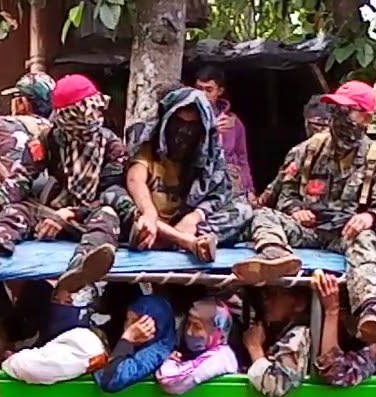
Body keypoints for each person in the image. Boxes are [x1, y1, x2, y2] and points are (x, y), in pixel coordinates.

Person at [234, 81, 376, 344]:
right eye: (336, 110)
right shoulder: (308, 150)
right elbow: (285, 192)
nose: (339, 118)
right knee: (262, 215)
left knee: (367, 240)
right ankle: (274, 255)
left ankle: (369, 309)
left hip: (346, 236)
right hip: (309, 231)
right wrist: (294, 210)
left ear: (366, 118)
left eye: (348, 111)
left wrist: (368, 217)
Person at [0, 74, 127, 292]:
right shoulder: (47, 139)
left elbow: (112, 192)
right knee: (18, 208)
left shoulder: (112, 146)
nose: (96, 116)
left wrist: (70, 214)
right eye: (90, 110)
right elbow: (19, 182)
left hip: (90, 214)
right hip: (51, 213)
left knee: (108, 215)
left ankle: (81, 268)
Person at [123, 87, 253, 261]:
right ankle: (184, 241)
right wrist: (149, 212)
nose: (183, 134)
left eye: (192, 127)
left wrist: (194, 217)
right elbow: (135, 179)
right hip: (147, 219)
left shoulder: (209, 157)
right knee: (116, 200)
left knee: (242, 211)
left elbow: (218, 194)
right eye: (178, 124)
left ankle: (171, 239)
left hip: (185, 223)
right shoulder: (148, 146)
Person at [311, 270, 376, 387]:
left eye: (346, 306)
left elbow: (336, 373)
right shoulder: (351, 338)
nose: (343, 315)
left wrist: (332, 310)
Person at [256, 95, 331, 208]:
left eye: (325, 126)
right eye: (318, 125)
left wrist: (259, 204)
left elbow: (277, 187)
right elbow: (282, 182)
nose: (322, 131)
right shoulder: (301, 151)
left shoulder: (301, 150)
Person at [194, 65, 254, 200]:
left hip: (231, 183)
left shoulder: (233, 122)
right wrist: (212, 132)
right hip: (199, 183)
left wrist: (249, 189)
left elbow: (242, 158)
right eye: (199, 89)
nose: (203, 94)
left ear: (219, 91)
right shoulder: (186, 117)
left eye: (209, 90)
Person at [245, 285, 311, 397]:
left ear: (300, 303)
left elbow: (276, 386)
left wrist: (254, 347)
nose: (266, 301)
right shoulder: (278, 331)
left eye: (274, 294)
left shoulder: (298, 335)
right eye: (265, 295)